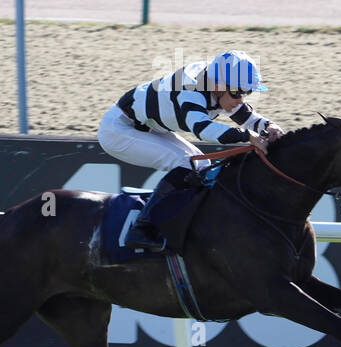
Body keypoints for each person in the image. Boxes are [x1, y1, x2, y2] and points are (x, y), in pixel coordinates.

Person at [97, 49, 286, 251]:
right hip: (119, 130)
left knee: (202, 165)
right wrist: (247, 136)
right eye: (238, 93)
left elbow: (243, 114)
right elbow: (203, 130)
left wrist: (269, 126)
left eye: (247, 93)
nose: (241, 99)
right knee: (185, 163)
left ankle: (179, 221)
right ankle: (142, 228)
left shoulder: (218, 85)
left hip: (148, 126)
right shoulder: (191, 88)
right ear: (218, 85)